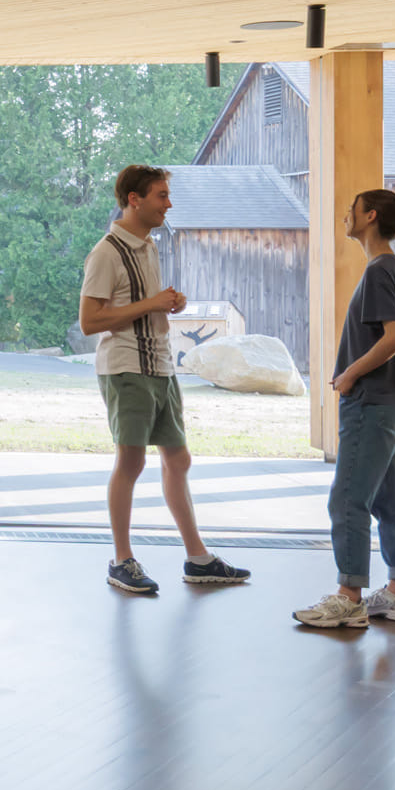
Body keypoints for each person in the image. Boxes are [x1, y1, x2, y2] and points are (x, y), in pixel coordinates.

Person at [80, 165, 250, 597]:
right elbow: (90, 321)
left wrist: (166, 304)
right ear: (134, 199)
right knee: (132, 463)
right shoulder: (106, 252)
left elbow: (139, 305)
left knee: (179, 460)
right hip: (126, 369)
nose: (168, 203)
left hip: (160, 367)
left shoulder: (149, 247)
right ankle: (121, 561)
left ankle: (198, 558)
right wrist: (150, 303)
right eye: (160, 195)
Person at [293, 189, 395, 630]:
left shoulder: (379, 270)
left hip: (370, 403)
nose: (345, 216)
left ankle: (349, 597)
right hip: (392, 402)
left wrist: (349, 374)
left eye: (351, 210)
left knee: (347, 499)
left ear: (369, 216)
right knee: (389, 499)